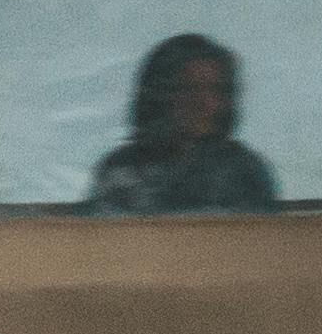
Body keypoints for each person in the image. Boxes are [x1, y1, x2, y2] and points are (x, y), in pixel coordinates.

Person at [87, 31, 278, 213]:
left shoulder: (243, 170)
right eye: (190, 89)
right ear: (158, 94)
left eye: (216, 90)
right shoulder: (122, 169)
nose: (206, 103)